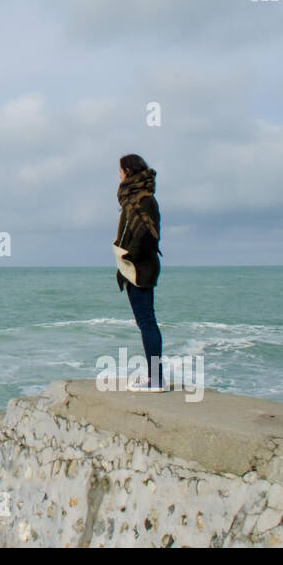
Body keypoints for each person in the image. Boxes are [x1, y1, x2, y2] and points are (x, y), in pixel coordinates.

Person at [114, 154, 164, 390]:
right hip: (137, 266)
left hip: (140, 267)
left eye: (120, 171)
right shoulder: (135, 198)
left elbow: (146, 233)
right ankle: (155, 378)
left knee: (146, 322)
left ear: (127, 171)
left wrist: (128, 257)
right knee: (146, 322)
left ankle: (155, 380)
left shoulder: (143, 200)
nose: (119, 175)